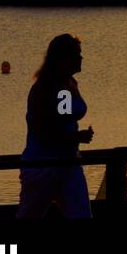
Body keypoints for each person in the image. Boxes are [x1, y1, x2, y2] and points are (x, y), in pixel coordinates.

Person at [16, 34, 93, 218]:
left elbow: (63, 120)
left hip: (68, 163)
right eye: (77, 54)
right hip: (44, 165)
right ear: (64, 58)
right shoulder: (51, 88)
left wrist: (74, 137)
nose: (81, 58)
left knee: (81, 214)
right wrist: (77, 137)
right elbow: (50, 128)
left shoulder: (69, 84)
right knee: (30, 215)